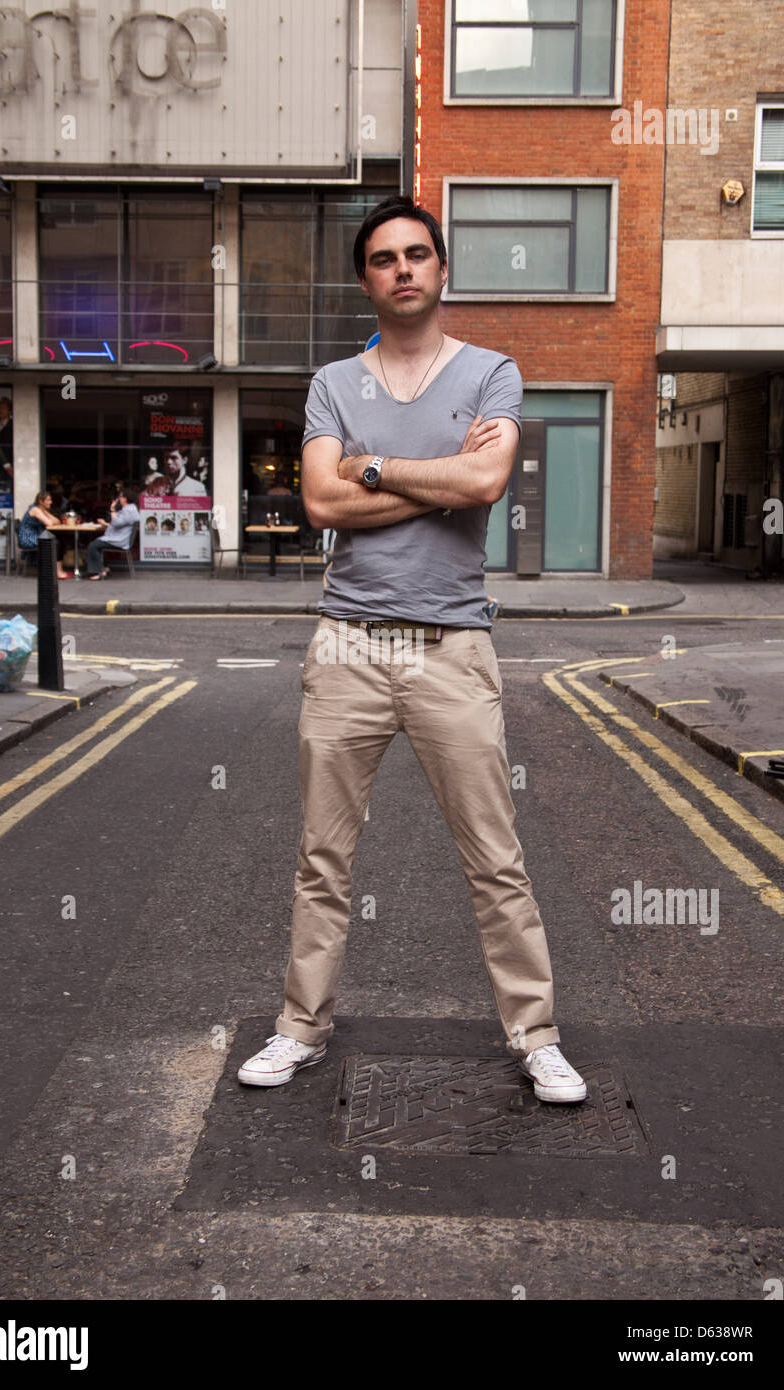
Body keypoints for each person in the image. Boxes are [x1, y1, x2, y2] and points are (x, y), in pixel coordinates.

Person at [238, 194, 587, 1105]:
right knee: (323, 857)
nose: (403, 269)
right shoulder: (331, 384)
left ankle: (536, 1036)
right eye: (385, 258)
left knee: (494, 856)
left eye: (417, 254)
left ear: (441, 270)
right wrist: (438, 482)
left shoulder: (489, 373)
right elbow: (321, 503)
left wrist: (376, 467)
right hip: (347, 643)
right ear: (367, 279)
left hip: (452, 646)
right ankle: (299, 1028)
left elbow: (486, 478)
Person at [86, 486, 140, 579]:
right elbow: (121, 524)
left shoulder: (129, 510)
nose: (119, 499)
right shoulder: (129, 509)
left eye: (121, 497)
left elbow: (117, 523)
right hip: (119, 537)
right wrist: (106, 524)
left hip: (119, 540)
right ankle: (102, 568)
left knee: (93, 546)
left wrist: (112, 509)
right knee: (96, 544)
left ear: (125, 499)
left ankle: (97, 572)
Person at [17, 492, 71, 579]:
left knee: (59, 540)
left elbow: (57, 521)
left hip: (36, 536)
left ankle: (58, 570)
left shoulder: (42, 510)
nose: (51, 502)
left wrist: (47, 515)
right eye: (48, 500)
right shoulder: (35, 510)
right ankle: (58, 571)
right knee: (56, 543)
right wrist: (48, 519)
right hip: (28, 538)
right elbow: (49, 523)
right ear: (41, 501)